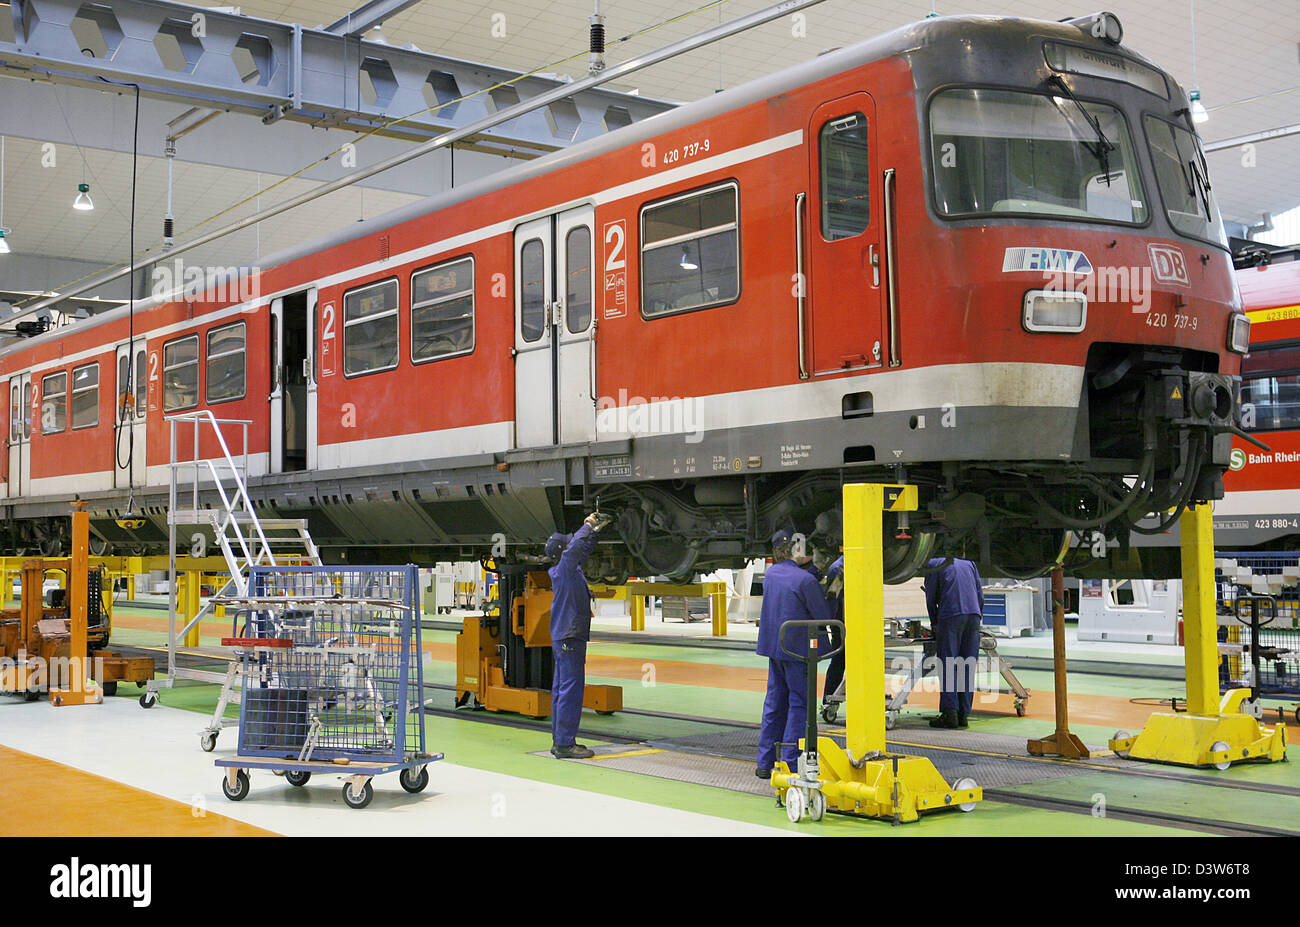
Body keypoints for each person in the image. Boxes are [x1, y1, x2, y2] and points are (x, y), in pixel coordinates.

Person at [755, 529, 833, 778]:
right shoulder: (806, 581)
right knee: (799, 704)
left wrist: (814, 572)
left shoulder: (772, 575)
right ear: (797, 549)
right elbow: (823, 615)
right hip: (799, 651)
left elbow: (791, 588)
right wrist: (832, 593)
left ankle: (765, 763)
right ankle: (789, 763)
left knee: (774, 702)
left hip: (775, 648)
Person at [546, 512, 610, 759]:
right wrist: (587, 524)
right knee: (571, 689)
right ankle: (565, 744)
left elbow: (580, 551)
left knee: (562, 689)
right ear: (563, 552)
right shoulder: (565, 568)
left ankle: (559, 741)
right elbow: (574, 550)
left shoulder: (567, 570)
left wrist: (595, 533)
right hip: (569, 637)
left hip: (565, 635)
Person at [922, 557, 984, 729]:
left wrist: (935, 623)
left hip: (951, 614)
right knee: (967, 665)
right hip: (973, 615)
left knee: (949, 665)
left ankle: (950, 713)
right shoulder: (970, 563)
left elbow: (931, 596)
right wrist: (977, 618)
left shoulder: (934, 564)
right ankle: (963, 714)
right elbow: (979, 594)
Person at [821, 553, 845, 709]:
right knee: (838, 662)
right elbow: (831, 598)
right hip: (841, 625)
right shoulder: (838, 569)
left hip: (856, 621)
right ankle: (829, 702)